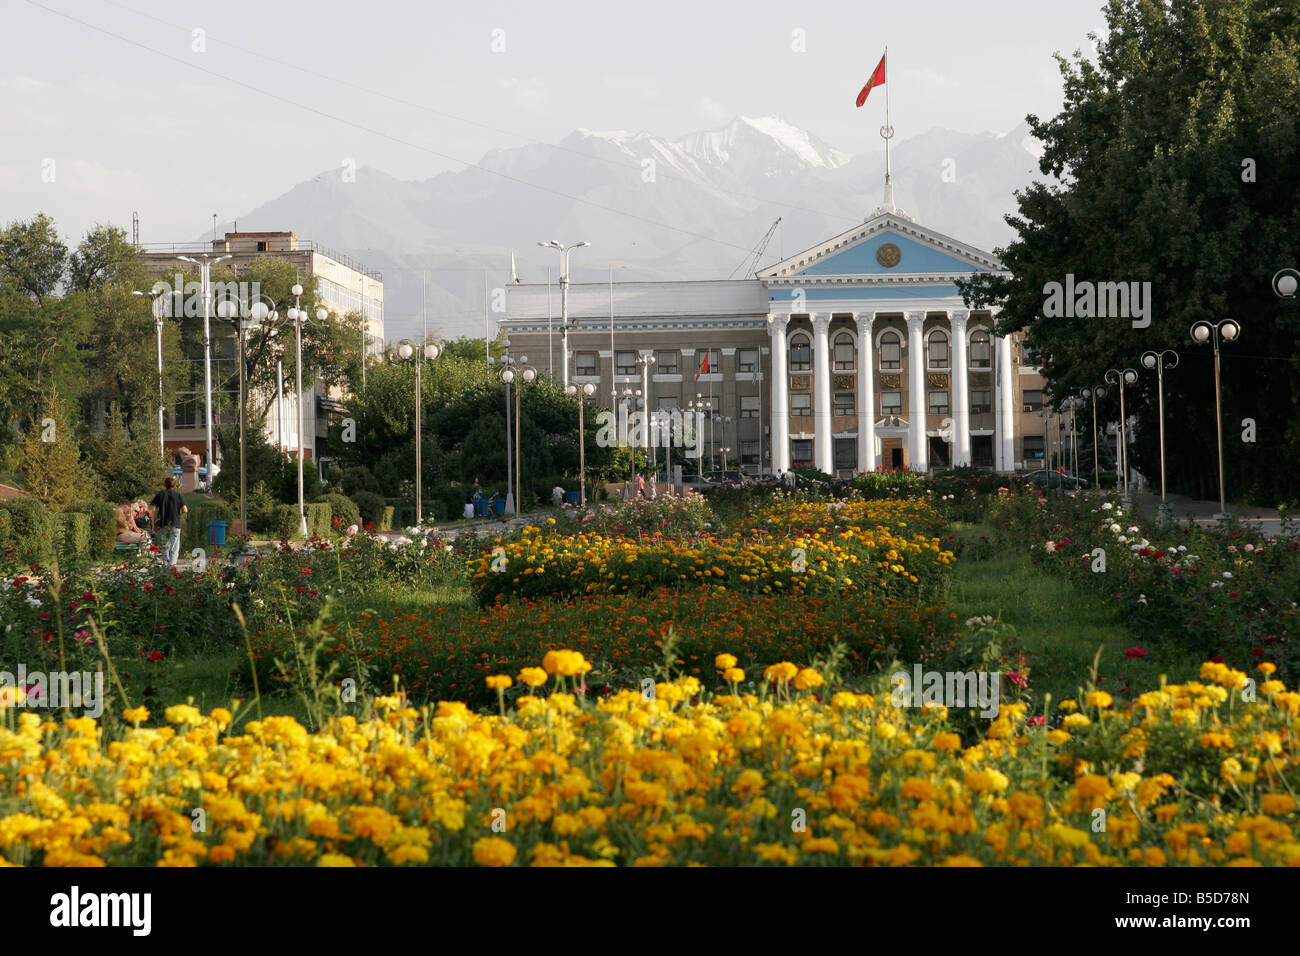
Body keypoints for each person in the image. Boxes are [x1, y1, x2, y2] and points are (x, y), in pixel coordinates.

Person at [150, 477, 188, 566]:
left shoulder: (160, 494)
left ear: (165, 485)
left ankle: (166, 566)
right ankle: (172, 567)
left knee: (164, 547)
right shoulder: (179, 495)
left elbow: (153, 510)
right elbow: (185, 510)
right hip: (175, 524)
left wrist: (153, 524)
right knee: (174, 547)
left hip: (163, 524)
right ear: (175, 485)